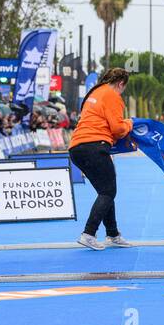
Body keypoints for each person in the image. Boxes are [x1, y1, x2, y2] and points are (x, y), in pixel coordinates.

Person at [68, 68, 135, 251]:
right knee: (108, 192)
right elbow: (118, 129)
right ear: (121, 83)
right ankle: (88, 234)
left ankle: (112, 234)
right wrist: (130, 123)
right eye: (124, 88)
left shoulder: (95, 92)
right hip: (94, 146)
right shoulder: (112, 95)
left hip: (77, 147)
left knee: (105, 191)